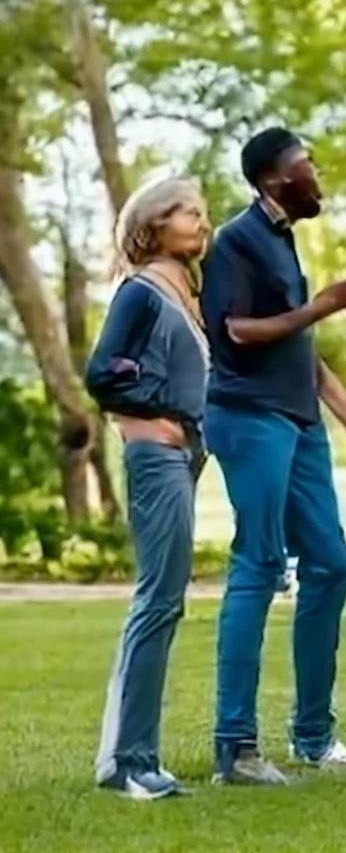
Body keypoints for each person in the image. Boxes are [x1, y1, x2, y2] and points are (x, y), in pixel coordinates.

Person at [200, 127, 346, 785]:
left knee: (332, 564)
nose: (318, 174)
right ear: (275, 179)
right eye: (308, 164)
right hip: (249, 417)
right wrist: (335, 299)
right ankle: (237, 748)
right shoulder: (235, 240)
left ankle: (314, 737)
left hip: (299, 421)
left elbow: (295, 345)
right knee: (258, 564)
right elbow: (239, 330)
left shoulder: (283, 241)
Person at [86, 176, 211, 800]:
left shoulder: (182, 294)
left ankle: (137, 756)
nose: (201, 220)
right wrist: (156, 414)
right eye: (187, 211)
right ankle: (126, 761)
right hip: (157, 458)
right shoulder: (139, 294)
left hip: (182, 457)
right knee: (157, 599)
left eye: (202, 211)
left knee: (167, 599)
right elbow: (103, 372)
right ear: (153, 223)